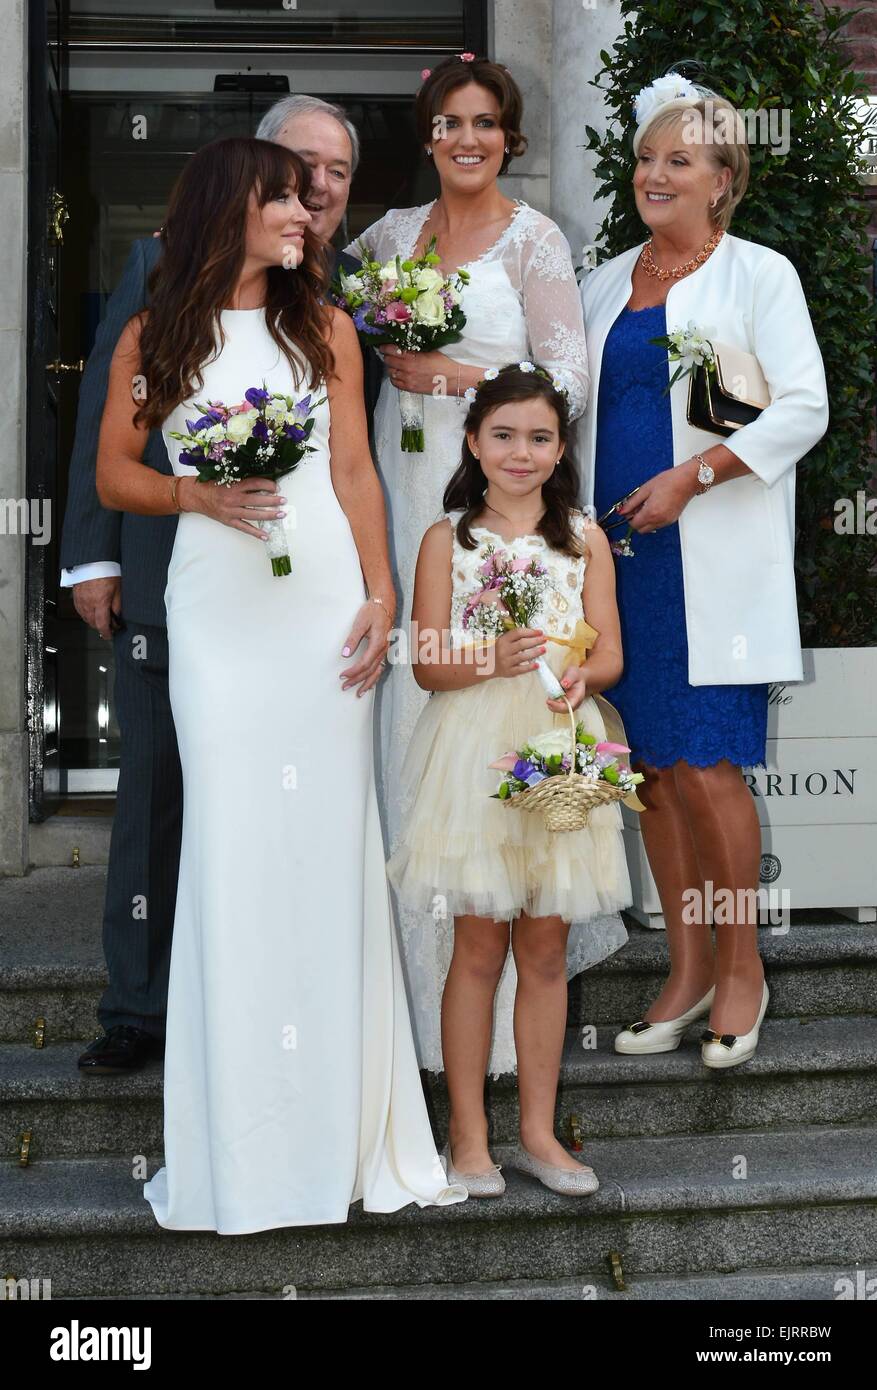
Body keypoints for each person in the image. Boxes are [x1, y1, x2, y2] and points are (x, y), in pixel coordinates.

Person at [94, 135, 467, 1231]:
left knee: (323, 849)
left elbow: (351, 467)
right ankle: (240, 1145)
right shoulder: (154, 332)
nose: (302, 216)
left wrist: (383, 595)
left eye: (305, 203)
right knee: (233, 847)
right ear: (227, 208)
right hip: (217, 613)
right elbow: (118, 469)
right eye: (280, 201)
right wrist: (193, 500)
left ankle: (339, 1134)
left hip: (318, 615)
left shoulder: (328, 329)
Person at [60, 94, 378, 1074]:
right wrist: (94, 554)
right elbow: (103, 439)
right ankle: (145, 1010)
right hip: (182, 577)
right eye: (292, 170)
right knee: (160, 791)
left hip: (312, 585)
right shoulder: (157, 281)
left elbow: (354, 462)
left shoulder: (351, 294)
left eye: (330, 173)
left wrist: (385, 586)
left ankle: (300, 1010)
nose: (313, 189)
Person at [344, 54, 625, 1076]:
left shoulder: (533, 239)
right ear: (425, 136)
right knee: (417, 728)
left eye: (484, 122)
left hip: (499, 509)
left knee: (504, 725)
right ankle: (409, 1034)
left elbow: (568, 384)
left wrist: (460, 379)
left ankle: (508, 1052)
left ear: (508, 136)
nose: (467, 137)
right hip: (407, 502)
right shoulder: (379, 243)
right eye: (449, 122)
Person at [579, 73, 828, 1068]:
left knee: (706, 767)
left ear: (722, 179)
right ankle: (683, 969)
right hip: (620, 564)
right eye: (645, 158)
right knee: (650, 771)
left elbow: (801, 407)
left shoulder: (757, 275)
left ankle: (739, 968)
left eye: (677, 160)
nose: (654, 174)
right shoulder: (601, 282)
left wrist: (695, 475)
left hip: (708, 560)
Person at [386, 363, 632, 1195]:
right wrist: (485, 657)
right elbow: (425, 660)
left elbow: (608, 652)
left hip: (560, 743)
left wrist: (582, 680)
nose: (520, 453)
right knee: (478, 945)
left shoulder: (584, 539)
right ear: (472, 442)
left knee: (547, 946)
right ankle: (467, 1136)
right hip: (472, 753)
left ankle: (536, 1132)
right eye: (503, 436)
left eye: (538, 437)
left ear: (561, 448)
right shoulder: (445, 540)